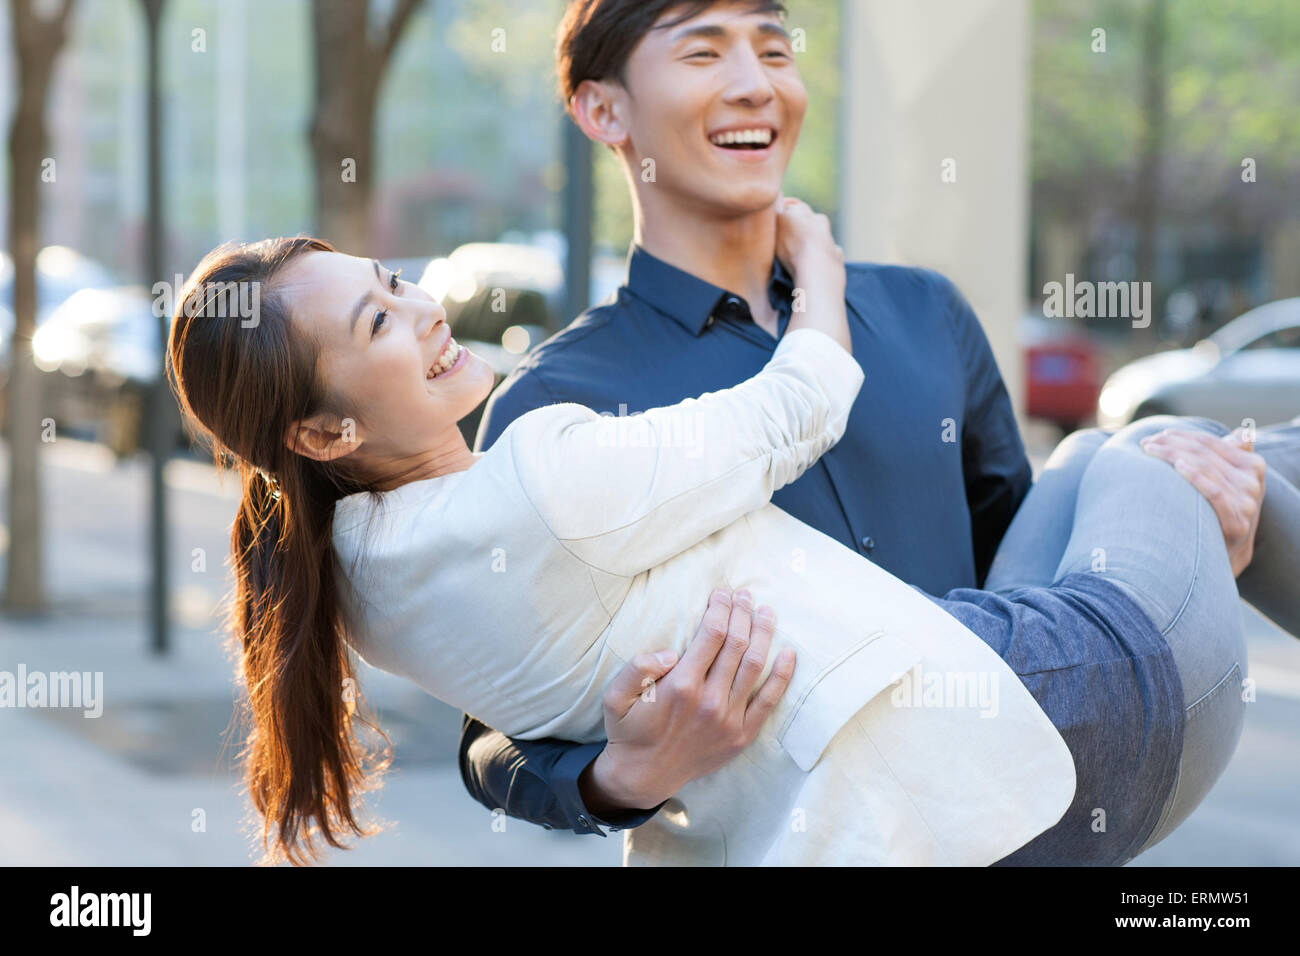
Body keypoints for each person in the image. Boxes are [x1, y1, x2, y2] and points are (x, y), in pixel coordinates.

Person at [167, 199, 1297, 864]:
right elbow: (804, 397)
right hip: (1078, 707)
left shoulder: (355, 579)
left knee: (1107, 459)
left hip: (962, 760)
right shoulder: (545, 457)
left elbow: (1004, 525)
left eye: (397, 281)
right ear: (318, 431)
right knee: (1163, 449)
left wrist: (619, 769)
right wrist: (819, 266)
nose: (423, 308)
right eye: (377, 317)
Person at [458, 0, 1298, 861]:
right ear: (603, 110)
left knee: (1135, 456)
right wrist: (625, 773)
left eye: (774, 49)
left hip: (1008, 796)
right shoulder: (558, 406)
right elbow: (493, 737)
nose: (756, 84)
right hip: (801, 841)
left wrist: (1187, 531)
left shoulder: (923, 312)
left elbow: (1023, 562)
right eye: (704, 54)